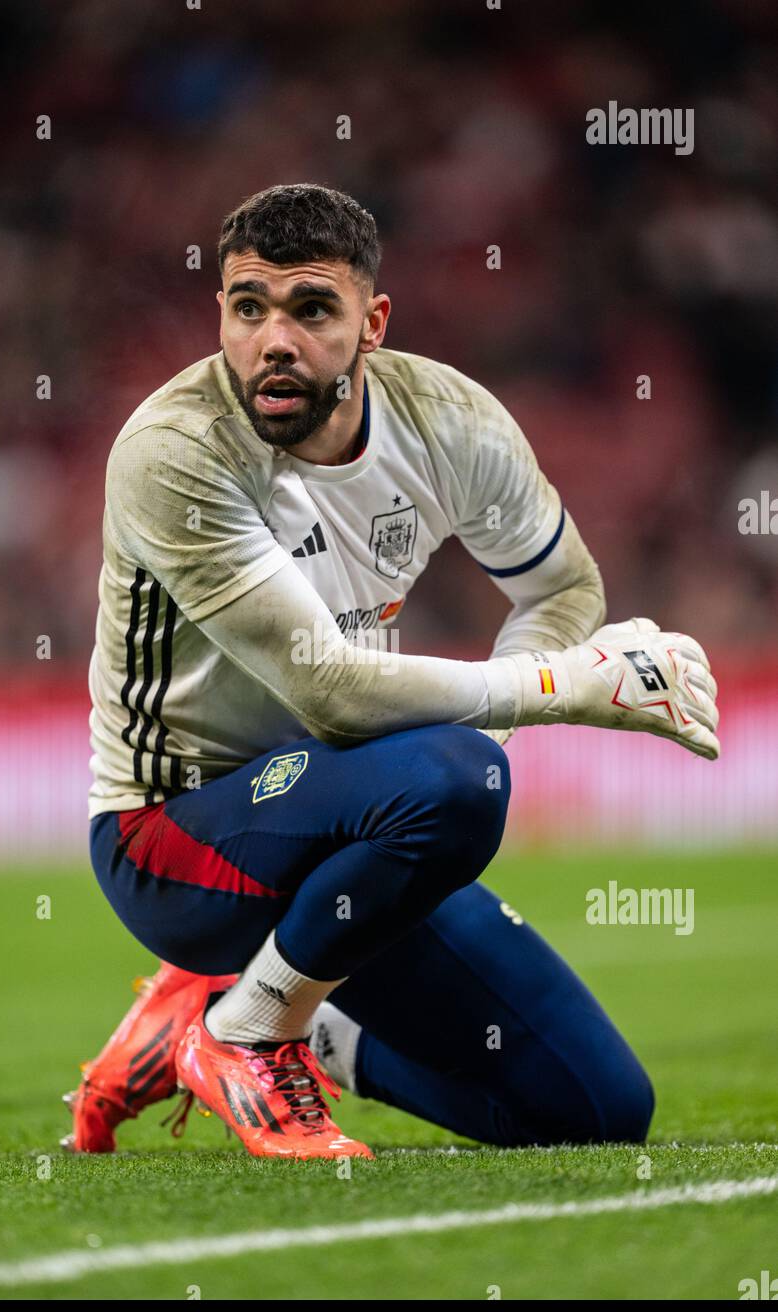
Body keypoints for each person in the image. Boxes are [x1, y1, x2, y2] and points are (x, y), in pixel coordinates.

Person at [62, 183, 718, 1161]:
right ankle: (251, 1029)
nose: (271, 340)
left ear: (371, 323)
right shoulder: (176, 450)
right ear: (220, 316)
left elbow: (560, 589)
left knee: (594, 1110)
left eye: (309, 309)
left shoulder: (447, 418)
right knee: (454, 776)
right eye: (247, 306)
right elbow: (327, 688)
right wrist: (561, 693)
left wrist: (468, 757)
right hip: (173, 839)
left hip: (357, 821)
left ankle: (275, 1023)